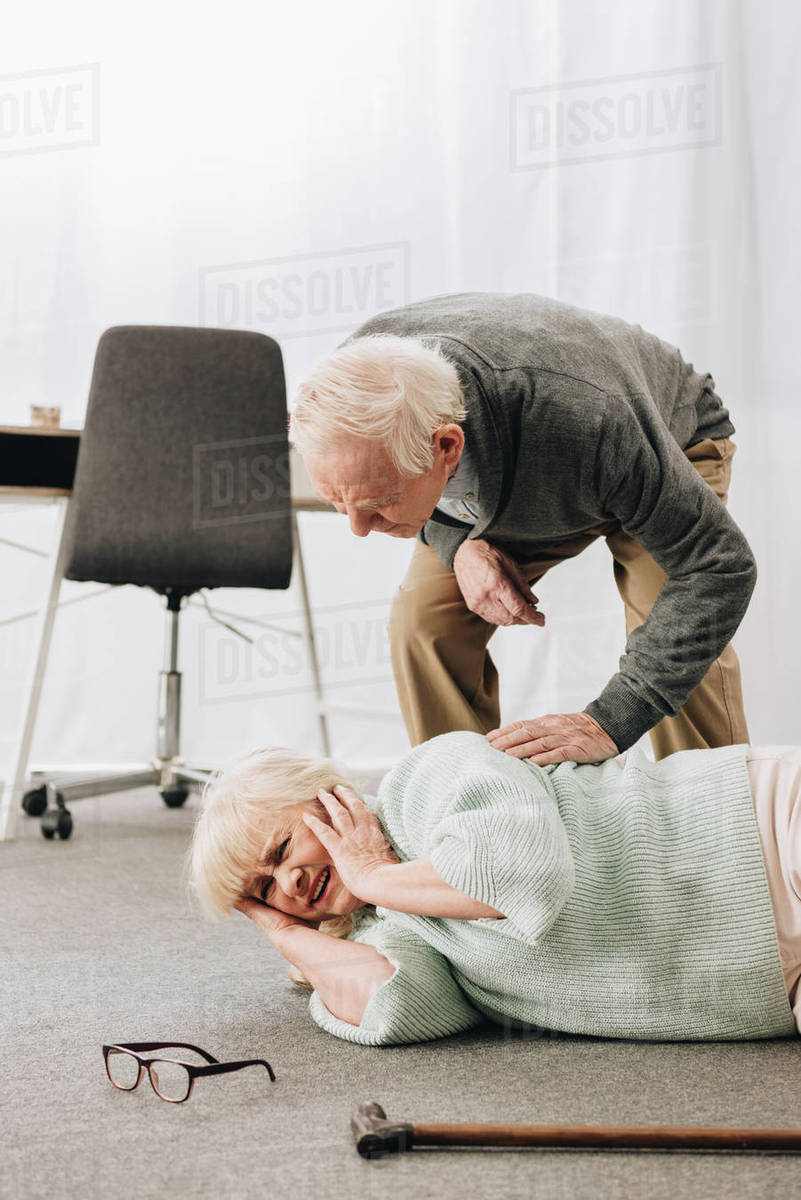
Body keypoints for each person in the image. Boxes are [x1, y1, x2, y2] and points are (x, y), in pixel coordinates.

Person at [289, 293, 755, 767]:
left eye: (379, 504)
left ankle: (720, 812)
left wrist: (609, 722)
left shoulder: (589, 419)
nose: (358, 530)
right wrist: (459, 545)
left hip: (661, 439)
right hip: (531, 465)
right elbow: (383, 487)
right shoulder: (346, 394)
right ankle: (470, 806)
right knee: (423, 626)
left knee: (678, 622)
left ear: (446, 447)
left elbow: (717, 568)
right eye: (338, 502)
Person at [188, 732, 801, 1047]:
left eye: (280, 851)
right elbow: (393, 1006)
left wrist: (374, 875)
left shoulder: (427, 778)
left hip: (761, 830)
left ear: (326, 791)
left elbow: (523, 874)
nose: (288, 883)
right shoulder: (386, 927)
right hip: (773, 987)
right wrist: (284, 931)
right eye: (264, 890)